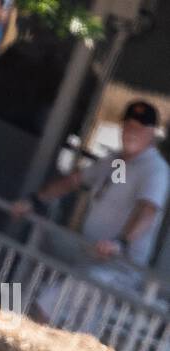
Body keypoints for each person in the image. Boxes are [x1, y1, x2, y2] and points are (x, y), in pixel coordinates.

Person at [11, 100, 169, 323]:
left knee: (47, 309)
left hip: (117, 271)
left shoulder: (155, 170)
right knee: (50, 285)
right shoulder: (118, 162)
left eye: (140, 129)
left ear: (152, 134)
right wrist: (35, 200)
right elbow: (77, 181)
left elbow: (148, 210)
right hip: (89, 257)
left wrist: (121, 242)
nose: (132, 133)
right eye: (128, 127)